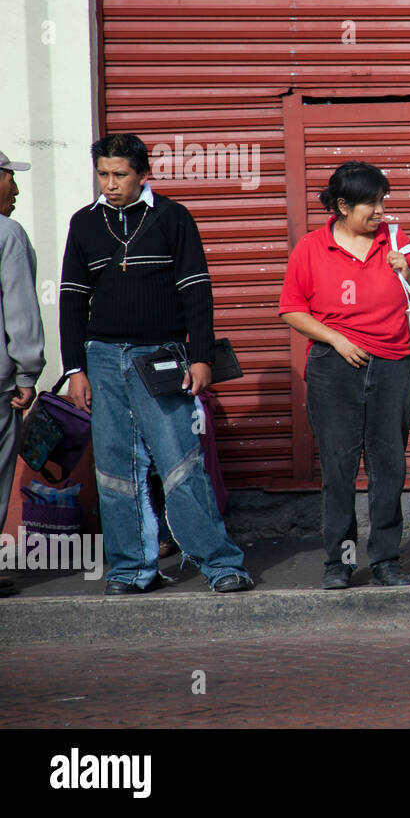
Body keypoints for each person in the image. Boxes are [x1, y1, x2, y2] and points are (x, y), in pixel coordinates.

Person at [59, 133, 252, 594]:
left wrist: (201, 356)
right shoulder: (84, 223)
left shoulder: (172, 217)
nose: (110, 183)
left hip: (162, 357)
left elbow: (196, 291)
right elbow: (70, 301)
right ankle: (131, 570)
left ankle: (222, 564)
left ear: (143, 174)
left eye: (120, 174)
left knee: (181, 463)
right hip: (102, 360)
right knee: (114, 470)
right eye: (103, 173)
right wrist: (74, 369)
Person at [279, 161, 410, 590]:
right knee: (339, 467)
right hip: (334, 369)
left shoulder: (395, 239)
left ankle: (386, 559)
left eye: (383, 201)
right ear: (343, 206)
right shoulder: (312, 248)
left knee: (389, 466)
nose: (380, 211)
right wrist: (336, 340)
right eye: (371, 203)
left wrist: (406, 271)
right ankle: (340, 562)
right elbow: (292, 308)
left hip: (392, 365)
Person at [0, 150, 44, 597]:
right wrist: (28, 373)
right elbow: (19, 309)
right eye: (10, 178)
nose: (15, 189)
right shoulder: (7, 234)